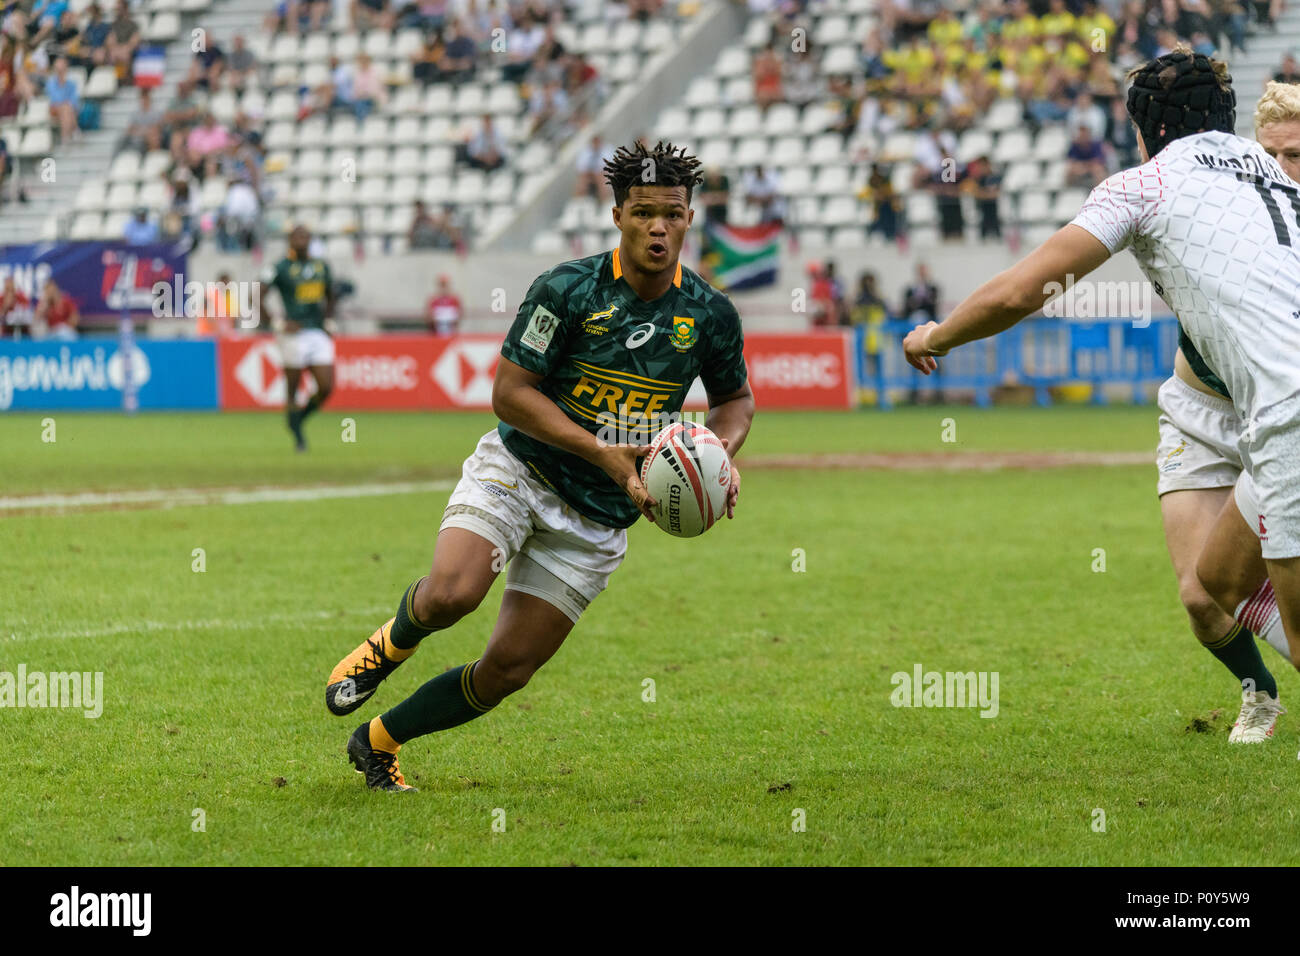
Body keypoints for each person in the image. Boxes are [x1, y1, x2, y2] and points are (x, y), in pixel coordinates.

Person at [324, 141, 753, 791]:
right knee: (451, 595)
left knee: (507, 671)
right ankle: (391, 645)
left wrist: (717, 452)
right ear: (617, 216)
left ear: (690, 216)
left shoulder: (710, 314)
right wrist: (601, 450)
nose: (658, 227)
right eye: (643, 213)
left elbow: (735, 400)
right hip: (519, 473)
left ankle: (379, 742)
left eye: (672, 213)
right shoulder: (568, 289)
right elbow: (510, 393)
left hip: (602, 516)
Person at [902, 50, 1300, 746]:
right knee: (1210, 583)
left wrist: (937, 334)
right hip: (1240, 404)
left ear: (1143, 133)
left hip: (1284, 411)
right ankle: (1259, 695)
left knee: (1237, 593)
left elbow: (1025, 290)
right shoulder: (1272, 171)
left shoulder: (1143, 185)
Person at [259, 225, 336, 452]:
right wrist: (276, 323)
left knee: (326, 387)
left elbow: (331, 295)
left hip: (317, 331)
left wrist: (329, 320)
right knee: (293, 387)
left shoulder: (321, 266)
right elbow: (257, 293)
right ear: (290, 241)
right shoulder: (280, 267)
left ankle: (298, 419)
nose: (302, 240)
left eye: (305, 236)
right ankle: (299, 437)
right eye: (297, 236)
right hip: (293, 333)